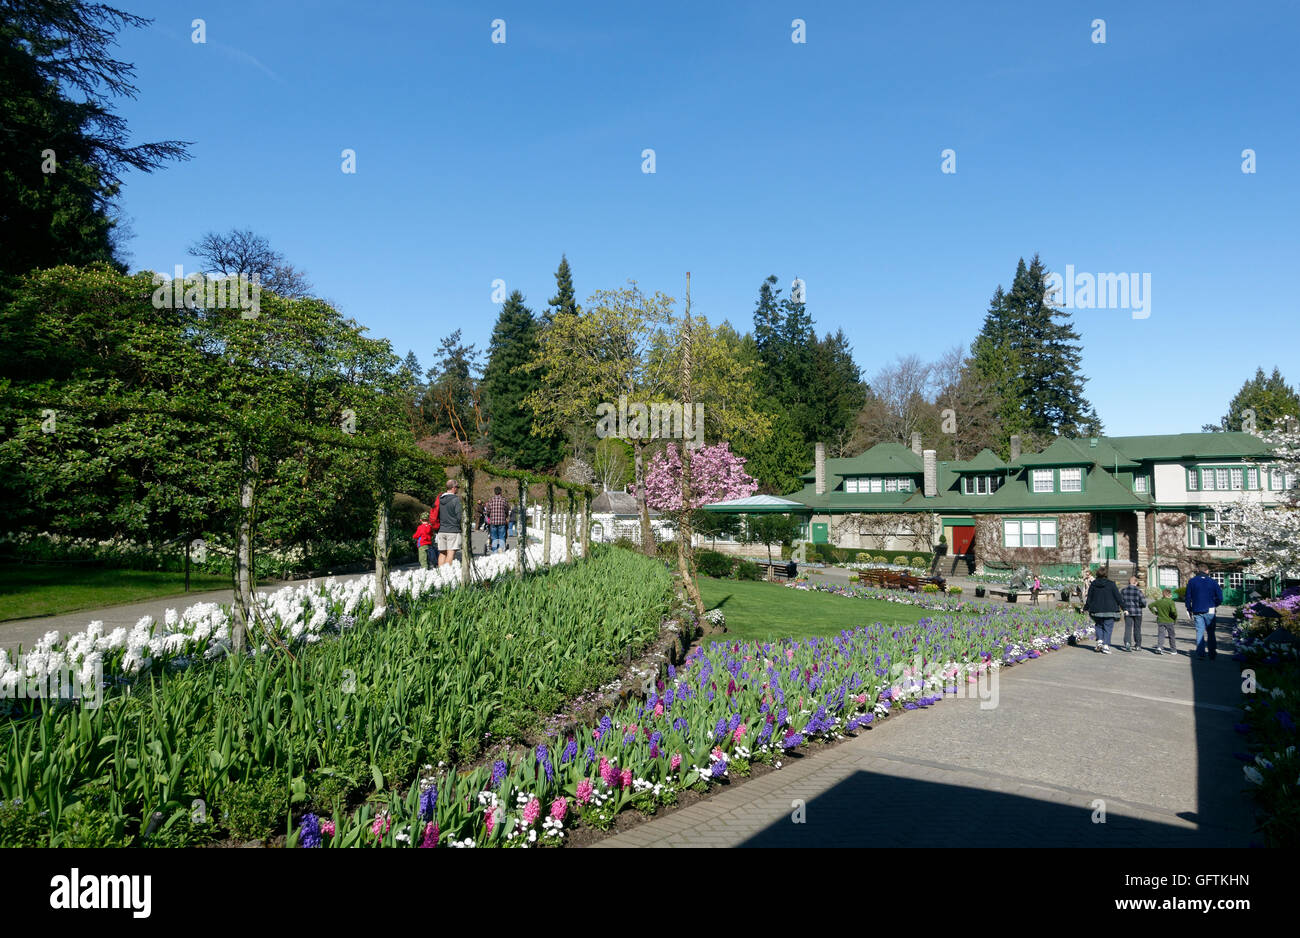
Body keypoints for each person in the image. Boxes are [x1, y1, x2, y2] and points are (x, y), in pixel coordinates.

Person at [1184, 563, 1223, 660]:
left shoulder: (1192, 582)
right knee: (1211, 632)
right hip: (1210, 609)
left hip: (1197, 609)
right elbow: (1220, 597)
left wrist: (1189, 608)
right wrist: (1215, 604)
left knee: (1199, 632)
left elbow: (1188, 597)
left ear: (1198, 571)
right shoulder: (1213, 582)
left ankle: (1201, 653)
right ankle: (1212, 652)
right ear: (1207, 571)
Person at [1083, 565, 1123, 654]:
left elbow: (1089, 598)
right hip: (1110, 610)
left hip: (1096, 610)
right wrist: (1124, 607)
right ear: (1106, 574)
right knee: (1108, 628)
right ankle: (1106, 646)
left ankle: (1100, 640)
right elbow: (1118, 597)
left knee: (1098, 625)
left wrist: (1085, 608)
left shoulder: (1093, 584)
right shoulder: (1111, 584)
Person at [436, 477, 463, 567]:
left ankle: (440, 574)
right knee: (450, 553)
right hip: (453, 530)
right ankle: (447, 575)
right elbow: (459, 516)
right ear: (453, 488)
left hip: (441, 530)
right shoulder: (456, 500)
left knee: (442, 553)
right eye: (457, 487)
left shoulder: (440, 499)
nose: (458, 489)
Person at [1148, 588, 1179, 656]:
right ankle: (1173, 650)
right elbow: (1173, 611)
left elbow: (1150, 606)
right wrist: (1175, 617)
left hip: (1160, 620)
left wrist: (1155, 613)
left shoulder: (1159, 601)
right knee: (1171, 636)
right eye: (1171, 594)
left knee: (1161, 635)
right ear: (1169, 594)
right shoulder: (1171, 602)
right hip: (1169, 621)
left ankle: (1159, 647)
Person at [1120, 575, 1146, 652]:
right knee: (1137, 629)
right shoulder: (1139, 591)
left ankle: (1127, 643)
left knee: (1128, 628)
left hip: (1127, 611)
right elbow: (1143, 603)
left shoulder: (1123, 590)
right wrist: (1140, 606)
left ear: (1129, 582)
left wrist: (1124, 608)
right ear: (1136, 582)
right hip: (1137, 612)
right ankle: (1138, 645)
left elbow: (1121, 601)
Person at [485, 486, 509, 554]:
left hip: (493, 522)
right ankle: (501, 550)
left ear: (494, 492)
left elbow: (488, 511)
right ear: (500, 492)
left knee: (494, 537)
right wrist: (505, 515)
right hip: (502, 522)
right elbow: (507, 510)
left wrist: (490, 516)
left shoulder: (490, 500)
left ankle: (494, 551)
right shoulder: (504, 500)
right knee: (502, 536)